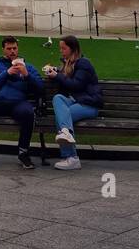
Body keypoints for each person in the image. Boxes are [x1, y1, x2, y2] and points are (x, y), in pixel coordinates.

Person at [0, 35, 44, 169]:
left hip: (18, 103)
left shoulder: (28, 67)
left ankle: (23, 153)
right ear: (3, 50)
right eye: (9, 48)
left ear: (18, 48)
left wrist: (27, 75)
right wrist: (7, 73)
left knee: (28, 113)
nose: (12, 51)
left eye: (14, 48)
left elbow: (40, 88)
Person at [43, 34, 104, 171]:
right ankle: (66, 135)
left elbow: (76, 85)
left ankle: (71, 157)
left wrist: (57, 75)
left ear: (72, 49)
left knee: (64, 115)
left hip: (89, 104)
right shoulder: (68, 64)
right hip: (75, 101)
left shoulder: (83, 63)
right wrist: (54, 73)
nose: (61, 51)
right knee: (58, 98)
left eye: (63, 48)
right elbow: (66, 82)